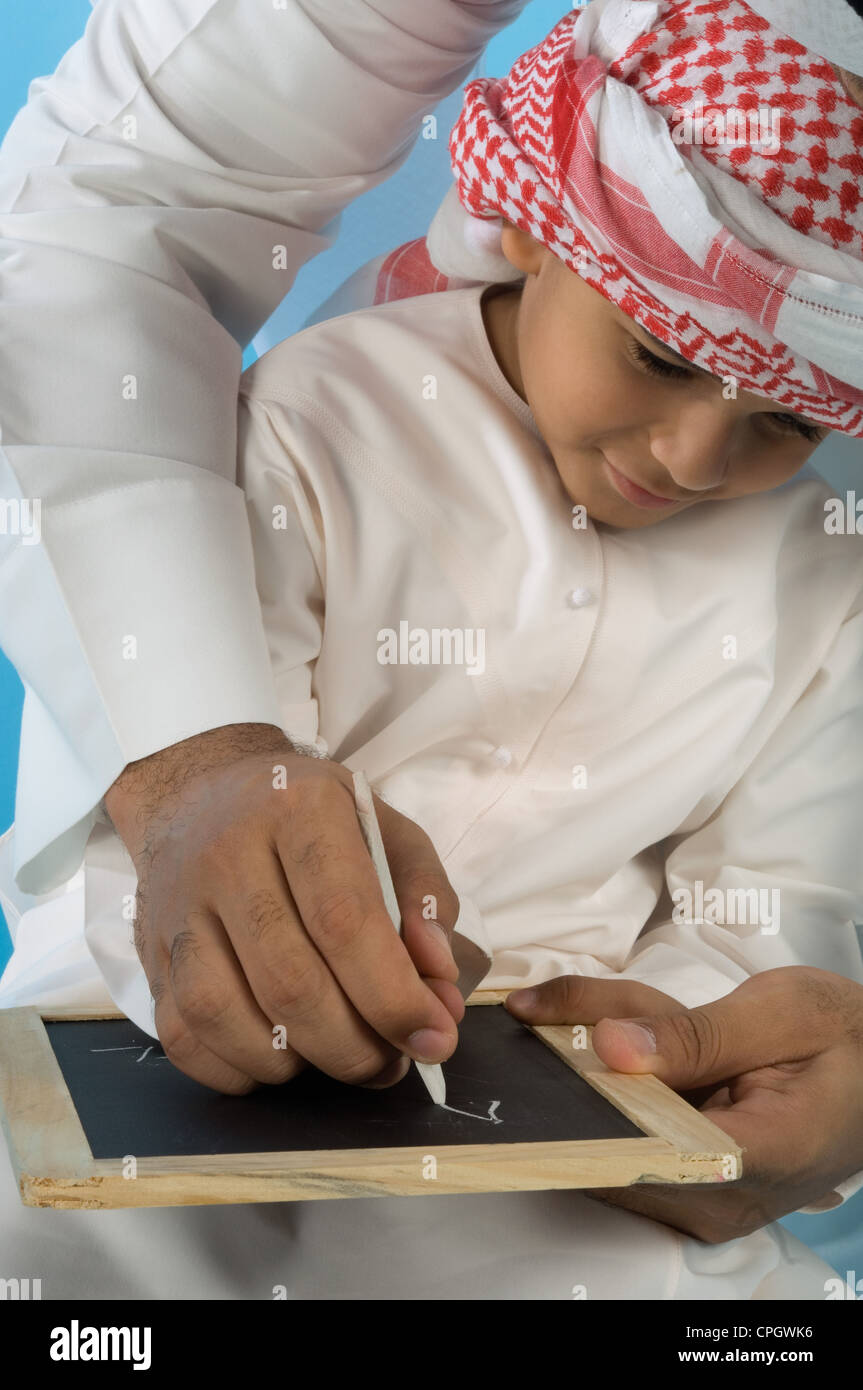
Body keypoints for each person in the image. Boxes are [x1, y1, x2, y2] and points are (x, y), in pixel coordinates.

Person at [2, 0, 863, 1301]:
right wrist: (274, 950)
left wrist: (664, 1056)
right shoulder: (322, 420)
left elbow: (783, 923)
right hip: (183, 1087)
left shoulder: (829, 578)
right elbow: (159, 875)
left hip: (579, 1172)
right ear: (526, 220)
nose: (696, 459)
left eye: (788, 420)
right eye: (657, 352)